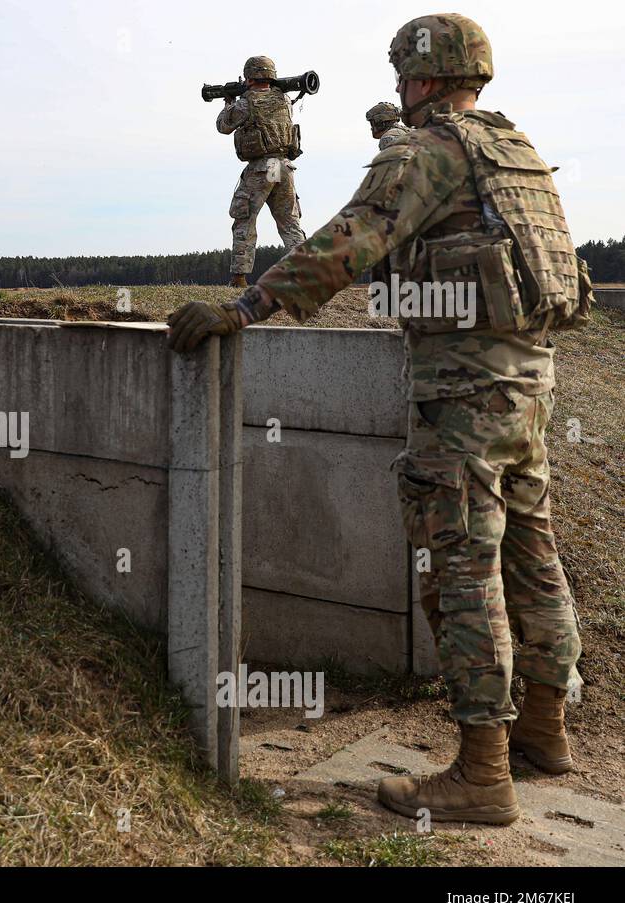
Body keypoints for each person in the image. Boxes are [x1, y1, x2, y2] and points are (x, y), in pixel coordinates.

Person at [169, 14, 593, 825]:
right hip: (529, 385)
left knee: (463, 564)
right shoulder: (517, 149)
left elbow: (351, 239)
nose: (399, 87)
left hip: (462, 393)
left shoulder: (427, 148)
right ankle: (546, 729)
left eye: (404, 75)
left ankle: (483, 772)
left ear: (424, 77)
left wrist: (248, 303)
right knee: (533, 556)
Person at [217, 55, 306, 287]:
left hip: (261, 168)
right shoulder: (285, 100)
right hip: (284, 167)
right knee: (290, 223)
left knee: (245, 219)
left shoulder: (246, 103)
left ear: (249, 77)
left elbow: (223, 126)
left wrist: (228, 102)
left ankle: (239, 278)